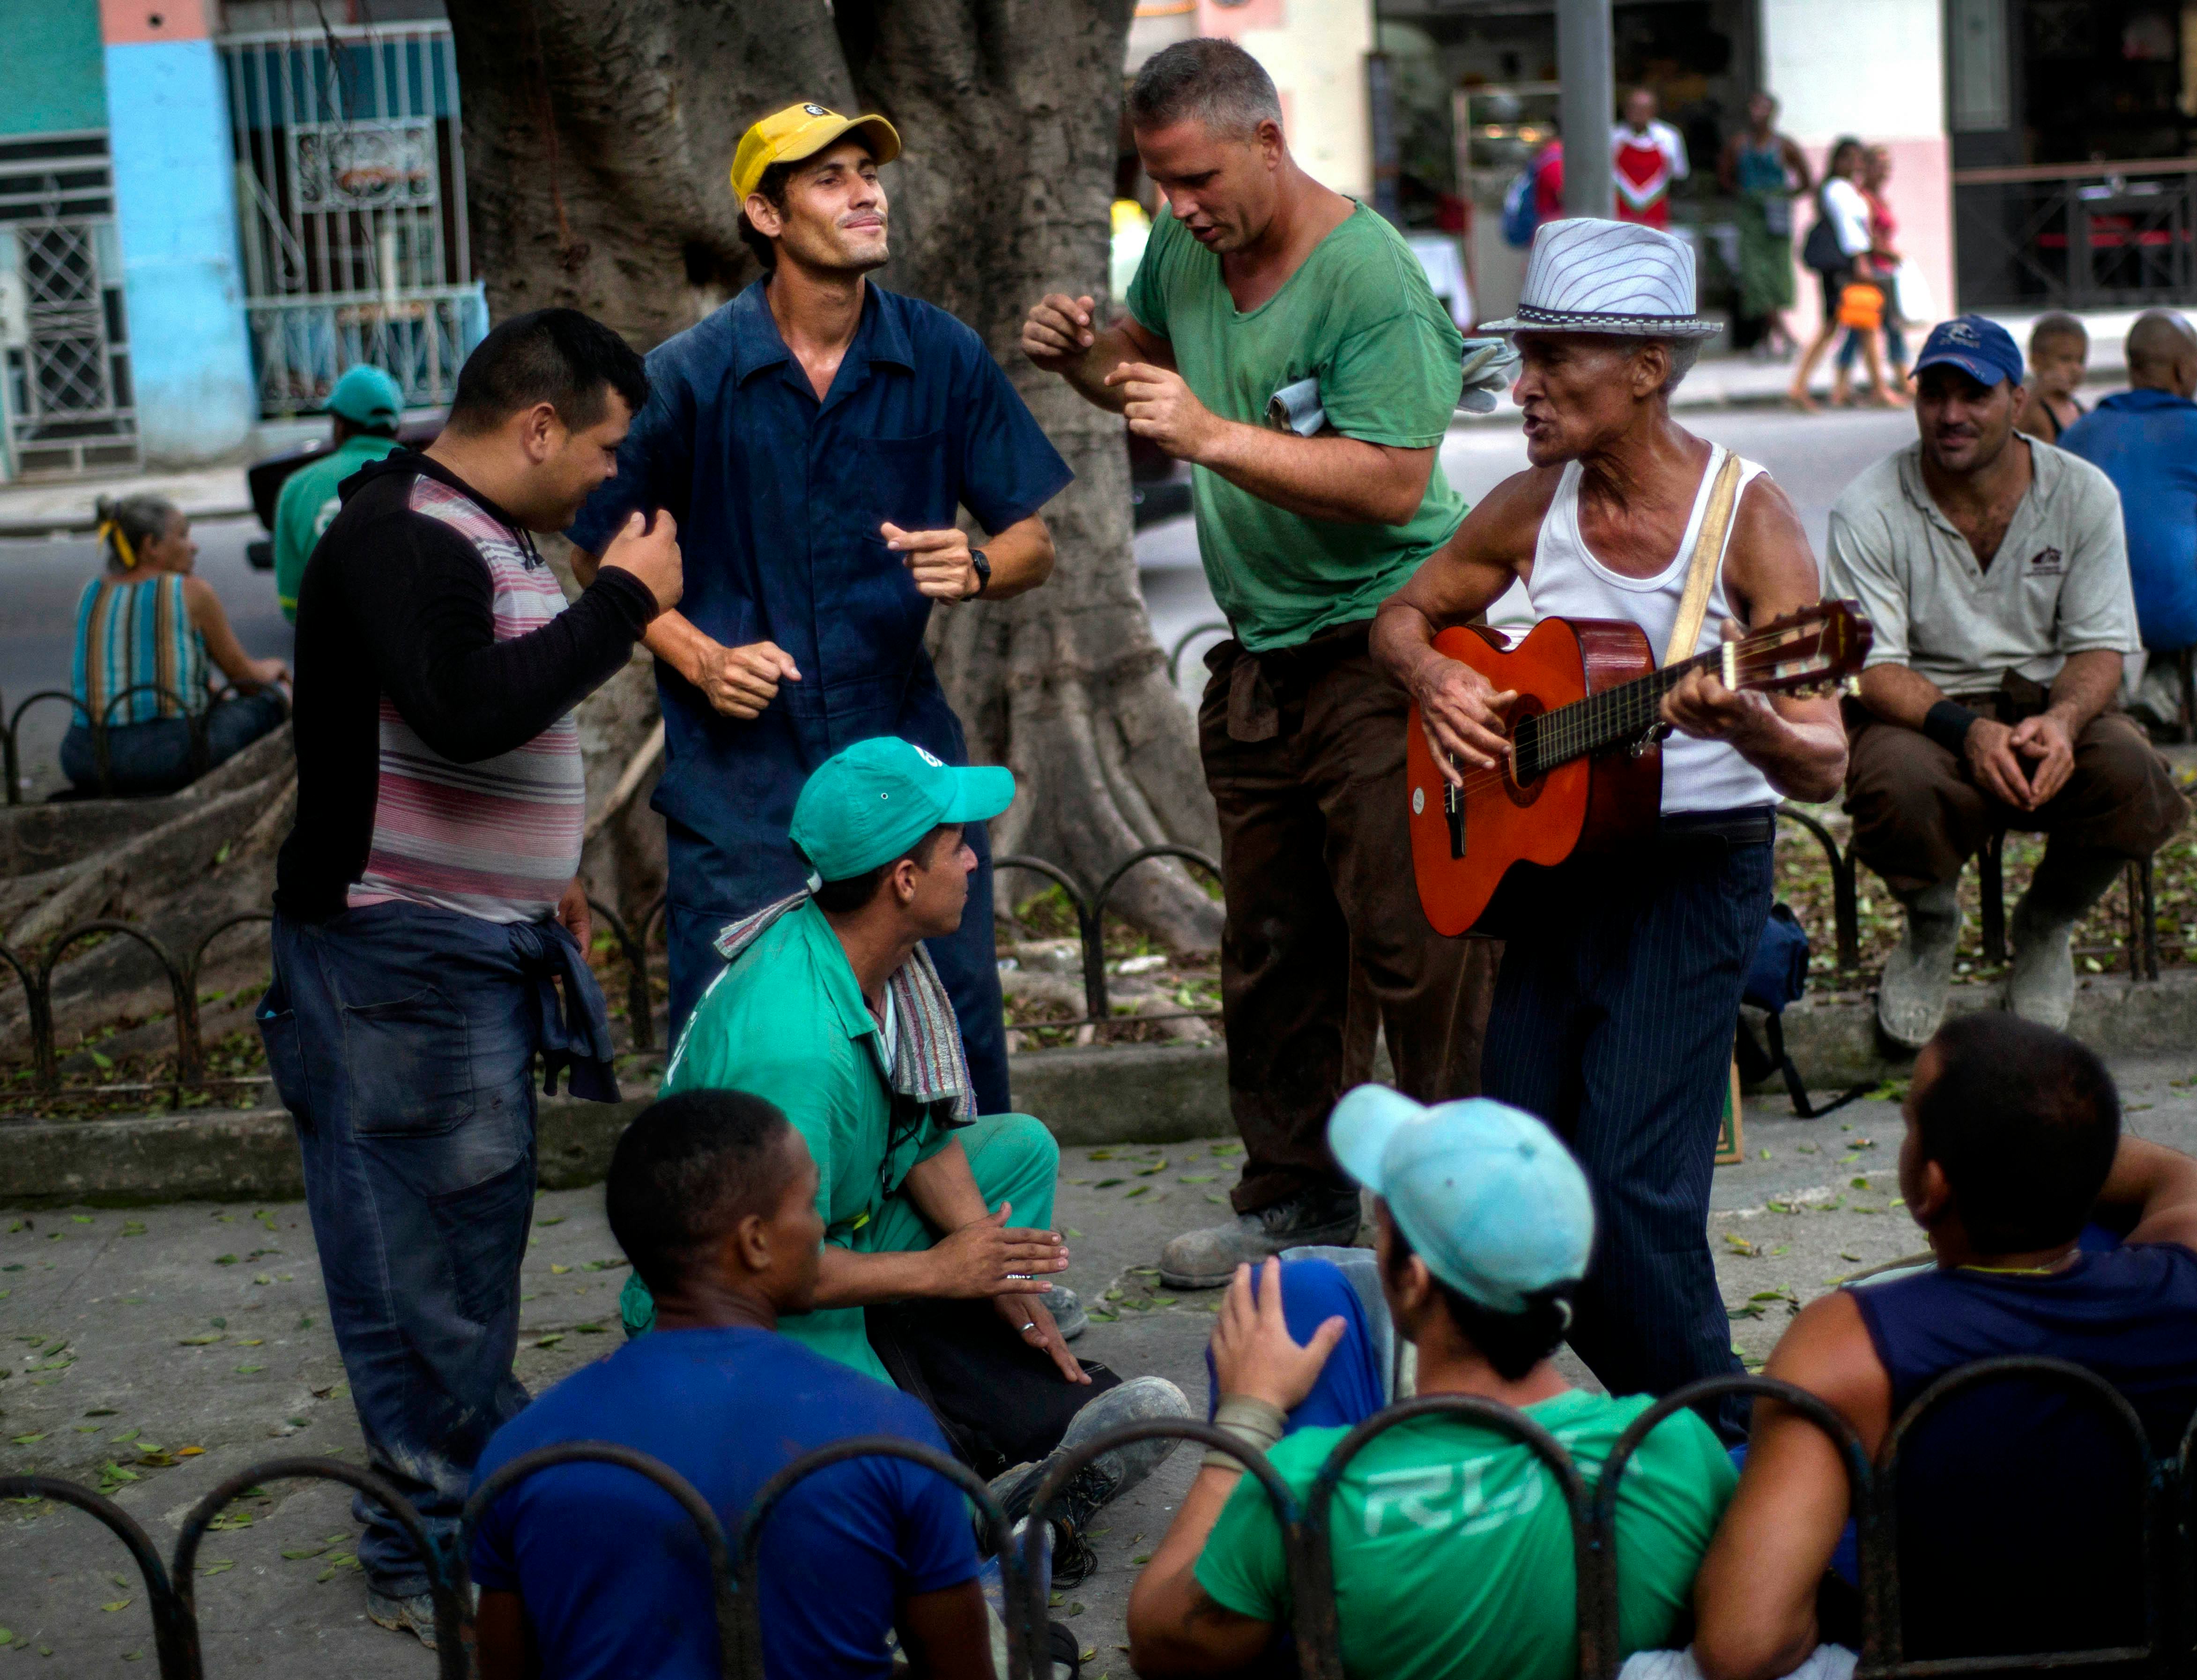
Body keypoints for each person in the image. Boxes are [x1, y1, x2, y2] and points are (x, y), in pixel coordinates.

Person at [1023, 38, 1492, 1289]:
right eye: (1157, 181)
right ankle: (1298, 1201)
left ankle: (1467, 1213)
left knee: (1414, 939)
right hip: (1266, 656)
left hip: (1388, 641)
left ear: (1271, 142)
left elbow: (1395, 482)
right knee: (1278, 949)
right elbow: (1143, 360)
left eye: (1192, 177)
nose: (1173, 207)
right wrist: (1080, 356)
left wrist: (1216, 437)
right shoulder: (1193, 244)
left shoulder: (1372, 281)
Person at [260, 307, 685, 1646]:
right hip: (397, 949)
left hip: (460, 939)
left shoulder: (469, 530)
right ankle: (437, 1546)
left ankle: (444, 1515)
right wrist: (627, 597)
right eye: (604, 447)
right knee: (419, 1253)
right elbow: (463, 704)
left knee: (462, 1237)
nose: (610, 476)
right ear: (540, 426)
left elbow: (465, 730)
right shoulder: (405, 533)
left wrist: (541, 865)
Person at [1374, 219, 1845, 1425]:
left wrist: (1750, 726)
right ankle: (1629, 1428)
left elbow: (1827, 757)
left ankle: (1732, 1447)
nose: (1521, 387)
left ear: (1644, 370)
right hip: (1556, 876)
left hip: (1692, 879)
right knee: (1516, 1177)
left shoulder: (1745, 517)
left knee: (1633, 1195)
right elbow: (1403, 617)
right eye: (1521, 358)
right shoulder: (1533, 504)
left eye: (1553, 359)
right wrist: (1440, 681)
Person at [564, 103, 1072, 1090]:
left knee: (950, 1035)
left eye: (866, 172)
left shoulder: (941, 354)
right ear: (764, 213)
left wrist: (972, 564)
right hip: (741, 770)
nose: (864, 192)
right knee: (740, 1045)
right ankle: (750, 1243)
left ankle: (964, 1238)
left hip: (900, 750)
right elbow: (599, 557)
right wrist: (696, 654)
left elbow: (1033, 541)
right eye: (828, 178)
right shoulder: (686, 376)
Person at [633, 734, 1186, 1582]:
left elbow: (918, 1132)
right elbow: (767, 1269)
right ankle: (989, 1512)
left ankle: (975, 1382)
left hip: (834, 1221)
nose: (972, 859)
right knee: (910, 1500)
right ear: (902, 880)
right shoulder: (797, 1052)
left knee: (1018, 1151)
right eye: (954, 846)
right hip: (743, 1298)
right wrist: (939, 1272)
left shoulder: (879, 955)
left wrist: (1000, 1277)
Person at [1693, 1014, 2197, 1680]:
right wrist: (2048, 1146)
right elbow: (2177, 1176)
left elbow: (1743, 1645)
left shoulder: (1844, 1342)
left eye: (1910, 1122)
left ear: (1931, 1186)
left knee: (1718, 1492)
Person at [1127, 1086, 1742, 1680]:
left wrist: (1248, 1413)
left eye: (1383, 1222)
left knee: (1296, 1293)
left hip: (1345, 1578)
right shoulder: (1674, 1447)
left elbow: (1161, 1638)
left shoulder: (1309, 1486)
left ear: (1414, 1280)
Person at [471, 1089, 995, 1680]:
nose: (821, 1224)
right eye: (808, 1204)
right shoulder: (889, 1431)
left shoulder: (522, 1451)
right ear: (755, 1241)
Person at [1825, 316, 2185, 1042]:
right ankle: (1932, 927)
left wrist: (2062, 723)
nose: (1951, 415)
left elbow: (2100, 648)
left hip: (2044, 704)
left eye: (1975, 395)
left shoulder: (2083, 495)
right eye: (1935, 394)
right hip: (1924, 713)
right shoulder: (1869, 507)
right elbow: (1871, 666)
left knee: (2132, 773)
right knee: (1893, 784)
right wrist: (1967, 729)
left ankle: (2048, 922)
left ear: (2017, 401)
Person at [2061, 312, 2197, 738]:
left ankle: (2113, 692)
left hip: (2089, 615)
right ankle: (2163, 688)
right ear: (2183, 370)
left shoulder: (2080, 432)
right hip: (2170, 615)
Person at [65, 495, 289, 796]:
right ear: (151, 546)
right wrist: (274, 668)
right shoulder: (190, 591)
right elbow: (244, 679)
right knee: (273, 701)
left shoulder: (90, 592)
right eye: (183, 536)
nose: (193, 546)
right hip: (169, 754)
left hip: (86, 755)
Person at [272, 363, 404, 622]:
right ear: (397, 425)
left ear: (340, 425)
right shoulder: (431, 479)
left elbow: (291, 602)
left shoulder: (297, 487)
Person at [1787, 138, 1893, 412]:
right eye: (1852, 158)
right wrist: (1861, 261)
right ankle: (1798, 387)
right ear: (1840, 161)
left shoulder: (1844, 189)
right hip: (1843, 267)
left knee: (1863, 323)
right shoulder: (1838, 189)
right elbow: (1850, 229)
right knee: (1830, 326)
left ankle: (1877, 387)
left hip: (1844, 265)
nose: (1857, 163)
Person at [1716, 92, 1811, 357]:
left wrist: (1783, 198)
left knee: (1777, 275)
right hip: (1750, 219)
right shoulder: (1738, 144)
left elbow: (1806, 180)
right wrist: (1745, 197)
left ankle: (1766, 340)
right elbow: (1724, 177)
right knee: (1754, 277)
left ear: (1773, 114)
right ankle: (1785, 336)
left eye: (1764, 109)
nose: (1758, 114)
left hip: (1777, 218)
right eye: (1754, 108)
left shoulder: (1785, 146)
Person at [1831, 145, 1911, 400]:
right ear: (1865, 167)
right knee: (1883, 325)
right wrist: (1889, 254)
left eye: (1887, 165)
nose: (1884, 171)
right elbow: (1864, 237)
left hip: (1884, 268)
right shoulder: (1863, 197)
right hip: (1873, 269)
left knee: (1862, 326)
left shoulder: (1878, 197)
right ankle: (1897, 381)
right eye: (1878, 164)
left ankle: (1842, 386)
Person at [1612, 87, 1691, 230]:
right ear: (1625, 109)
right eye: (1633, 107)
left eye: (1643, 108)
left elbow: (1679, 175)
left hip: (1656, 213)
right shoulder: (1613, 137)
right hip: (1619, 216)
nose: (1638, 113)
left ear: (1654, 110)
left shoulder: (1669, 137)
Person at [2013, 312, 2088, 445]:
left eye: (2080, 361)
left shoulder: (2080, 410)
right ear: (2037, 361)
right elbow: (2009, 436)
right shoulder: (2034, 409)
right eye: (2066, 359)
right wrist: (2037, 392)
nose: (2075, 369)